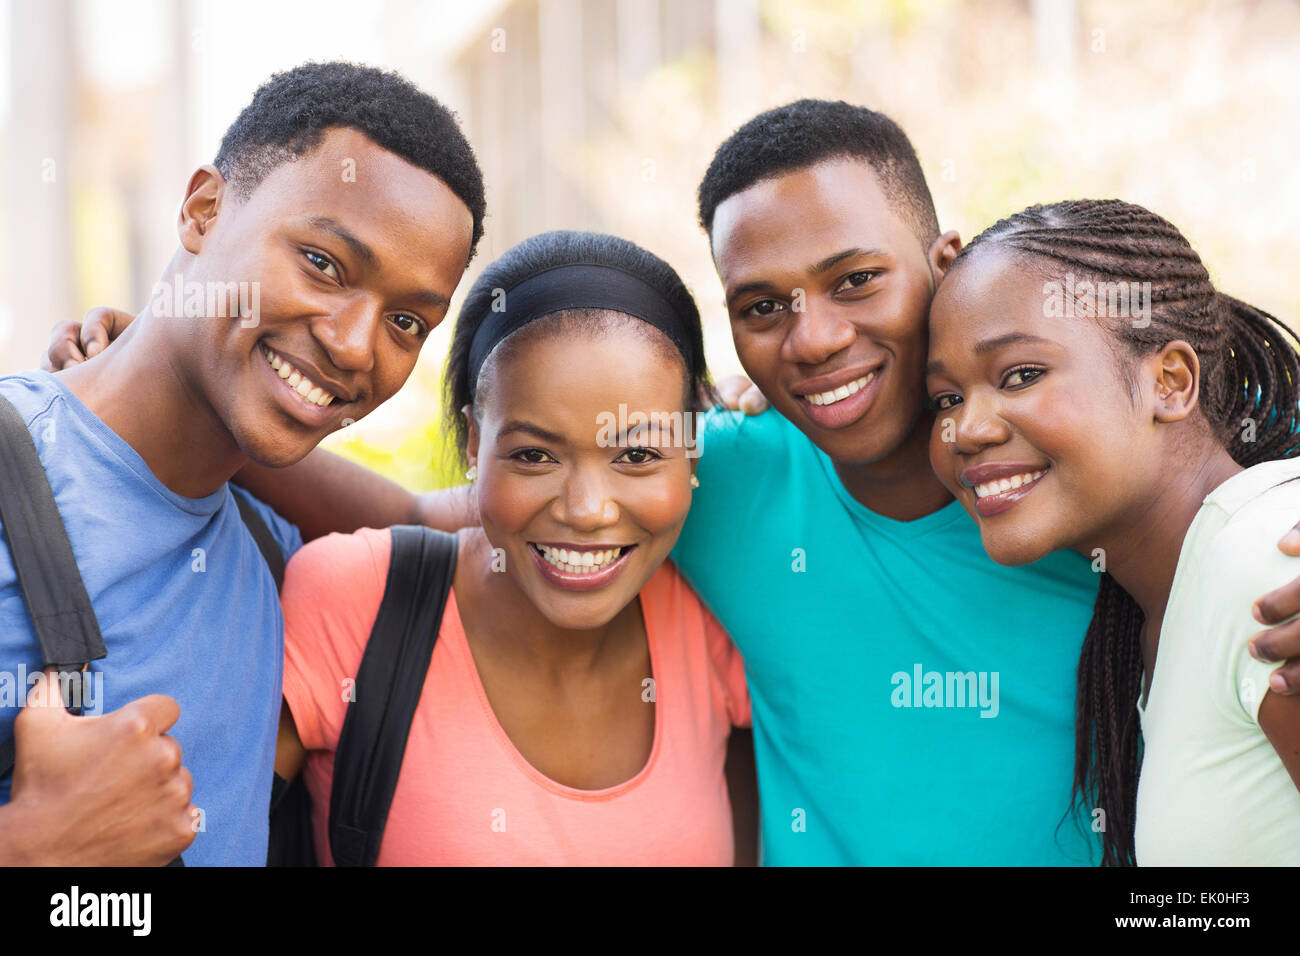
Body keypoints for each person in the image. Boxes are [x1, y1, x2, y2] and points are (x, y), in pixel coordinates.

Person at [52, 100, 1300, 866]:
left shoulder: (1093, 498)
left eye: (854, 280)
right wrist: (163, 386)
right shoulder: (725, 477)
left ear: (945, 257)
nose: (811, 338)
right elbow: (469, 513)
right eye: (762, 306)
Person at [1, 61, 485, 865]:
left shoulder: (280, 558)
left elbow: (466, 516)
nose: (354, 344)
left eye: (406, 320)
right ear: (203, 210)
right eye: (323, 263)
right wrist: (33, 849)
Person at [272, 231, 756, 865]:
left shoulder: (717, 612)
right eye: (534, 455)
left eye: (637, 455)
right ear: (475, 445)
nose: (587, 511)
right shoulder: (353, 600)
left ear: (693, 447)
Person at [924, 198, 1300, 865]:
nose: (967, 428)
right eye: (946, 399)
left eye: (1022, 375)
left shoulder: (1269, 567)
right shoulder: (1170, 595)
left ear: (1170, 382)